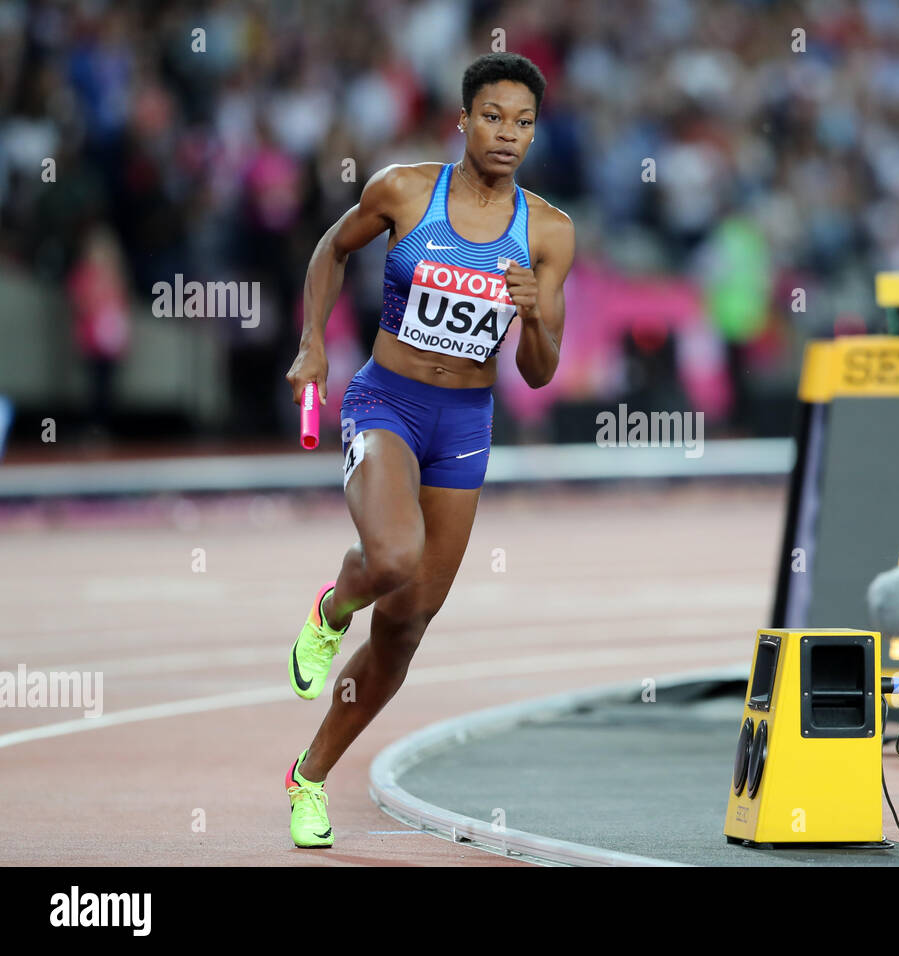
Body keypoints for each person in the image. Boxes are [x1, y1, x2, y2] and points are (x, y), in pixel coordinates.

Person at [281, 52, 574, 849]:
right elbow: (331, 250)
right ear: (464, 119)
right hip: (388, 403)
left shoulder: (548, 232)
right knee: (393, 557)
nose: (507, 134)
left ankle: (308, 778)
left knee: (407, 628)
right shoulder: (406, 190)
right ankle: (335, 605)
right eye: (492, 117)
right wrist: (314, 346)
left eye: (522, 122)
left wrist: (536, 316)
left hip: (467, 424)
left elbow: (540, 375)